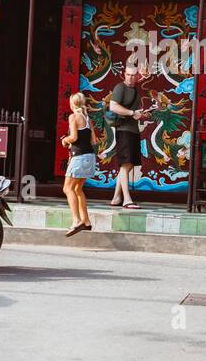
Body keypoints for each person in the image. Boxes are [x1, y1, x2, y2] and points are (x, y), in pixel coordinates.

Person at [107, 64, 149, 210]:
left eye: (134, 75)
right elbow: (113, 106)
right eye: (128, 75)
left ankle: (116, 197)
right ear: (124, 74)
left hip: (133, 130)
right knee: (125, 165)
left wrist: (139, 114)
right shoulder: (120, 87)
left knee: (129, 164)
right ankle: (127, 199)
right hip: (124, 130)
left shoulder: (134, 87)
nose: (131, 78)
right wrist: (132, 113)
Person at [60, 92, 97, 236]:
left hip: (79, 157)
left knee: (67, 189)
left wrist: (65, 140)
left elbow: (74, 137)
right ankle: (86, 221)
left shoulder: (73, 117)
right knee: (77, 189)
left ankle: (76, 221)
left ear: (72, 104)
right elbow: (94, 141)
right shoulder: (88, 119)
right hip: (90, 157)